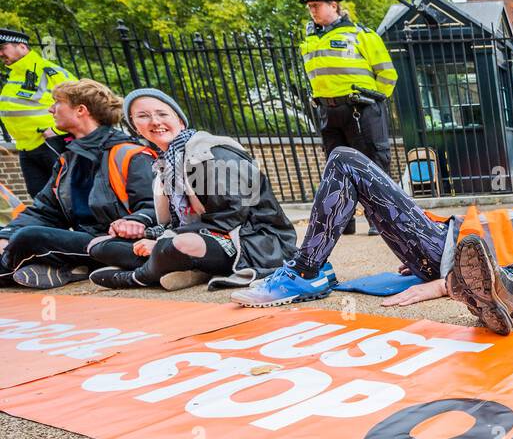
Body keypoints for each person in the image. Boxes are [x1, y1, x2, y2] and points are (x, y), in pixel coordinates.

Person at [230, 146, 513, 308]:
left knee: (347, 162)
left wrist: (444, 284)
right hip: (439, 241)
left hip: (444, 253)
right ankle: (312, 268)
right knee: (350, 168)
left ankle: (304, 272)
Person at [87, 89, 297, 290]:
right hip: (202, 236)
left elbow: (231, 217)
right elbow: (180, 220)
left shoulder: (213, 154)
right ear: (134, 125)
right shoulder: (165, 165)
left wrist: (164, 239)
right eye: (143, 116)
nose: (155, 121)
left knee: (176, 244)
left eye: (162, 113)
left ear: (179, 119)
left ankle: (141, 276)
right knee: (99, 245)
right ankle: (185, 266)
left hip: (252, 239)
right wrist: (149, 232)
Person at [0, 80, 154, 289]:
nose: (50, 109)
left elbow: (154, 207)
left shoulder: (129, 153)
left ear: (81, 110)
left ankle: (58, 267)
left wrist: (134, 220)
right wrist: (5, 236)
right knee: (16, 236)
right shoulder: (68, 160)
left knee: (29, 238)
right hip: (85, 240)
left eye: (57, 102)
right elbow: (45, 212)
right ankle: (69, 269)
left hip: (120, 244)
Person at [299, 0, 398, 234]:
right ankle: (344, 222)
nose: (313, 10)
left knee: (372, 166)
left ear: (334, 5)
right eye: (310, 6)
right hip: (328, 112)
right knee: (337, 169)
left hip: (360, 109)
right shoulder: (310, 39)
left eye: (317, 5)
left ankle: (381, 221)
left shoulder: (361, 35)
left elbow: (387, 74)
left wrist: (375, 100)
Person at [0, 26, 76, 198]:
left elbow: (82, 102)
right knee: (41, 199)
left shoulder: (48, 71)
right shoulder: (14, 76)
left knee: (66, 194)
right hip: (26, 147)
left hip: (51, 143)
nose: (0, 54)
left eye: (2, 48)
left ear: (22, 46)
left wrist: (57, 131)